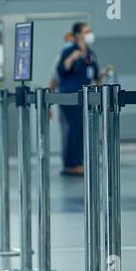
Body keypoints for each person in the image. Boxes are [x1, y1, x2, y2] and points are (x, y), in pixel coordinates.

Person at [54, 22, 100, 176]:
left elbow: (95, 74)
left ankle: (79, 161)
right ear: (78, 34)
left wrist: (103, 76)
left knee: (81, 130)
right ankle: (70, 164)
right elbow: (61, 70)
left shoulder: (90, 53)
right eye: (87, 31)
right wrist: (73, 58)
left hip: (84, 97)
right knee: (73, 130)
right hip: (69, 96)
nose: (90, 34)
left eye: (90, 30)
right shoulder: (68, 51)